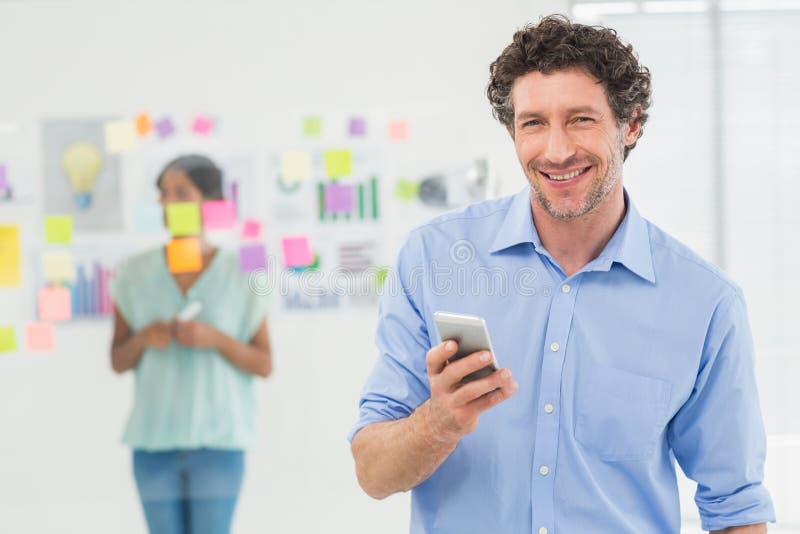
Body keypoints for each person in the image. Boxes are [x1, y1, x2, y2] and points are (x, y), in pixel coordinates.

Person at [349, 15, 775, 534]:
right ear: (513, 132)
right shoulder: (434, 261)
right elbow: (372, 472)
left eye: (580, 119)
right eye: (533, 123)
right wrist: (439, 423)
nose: (555, 150)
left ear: (632, 123)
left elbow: (736, 508)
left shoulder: (705, 303)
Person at [109, 154, 272, 534]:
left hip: (219, 445)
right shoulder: (134, 273)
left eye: (181, 192)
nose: (168, 203)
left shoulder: (244, 270)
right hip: (153, 445)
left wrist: (214, 339)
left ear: (210, 202)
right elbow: (117, 360)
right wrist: (144, 339)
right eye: (163, 193)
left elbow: (265, 363)